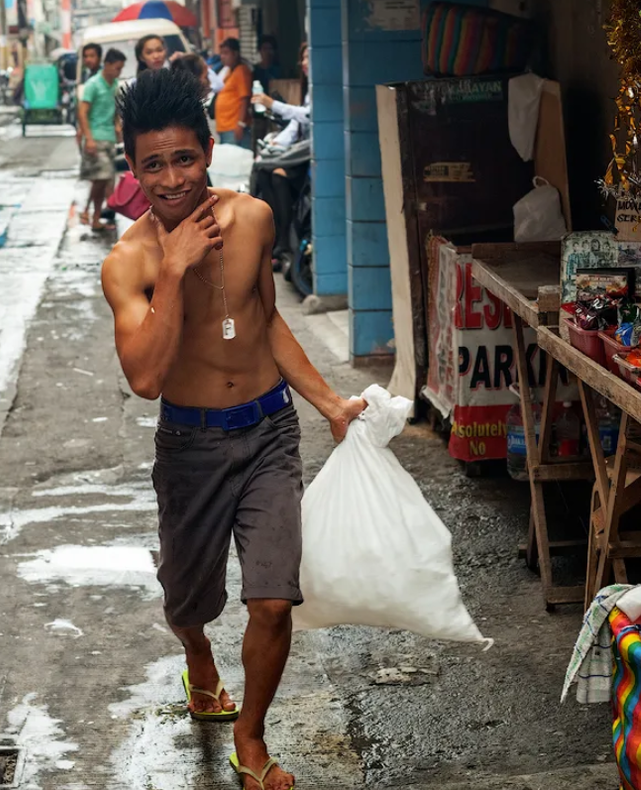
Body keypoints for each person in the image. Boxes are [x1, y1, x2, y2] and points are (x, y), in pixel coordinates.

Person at [102, 68, 364, 790]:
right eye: (153, 164)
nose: (171, 177)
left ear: (209, 150)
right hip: (188, 445)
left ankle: (251, 740)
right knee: (188, 600)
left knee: (273, 599)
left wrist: (329, 404)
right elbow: (146, 379)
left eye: (184, 158)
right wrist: (177, 270)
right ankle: (198, 657)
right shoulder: (127, 263)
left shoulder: (252, 219)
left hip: (269, 433)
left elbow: (266, 322)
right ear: (133, 168)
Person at [252, 43, 312, 263]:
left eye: (308, 57)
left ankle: (284, 242)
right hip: (298, 152)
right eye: (303, 58)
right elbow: (296, 126)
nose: (304, 62)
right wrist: (275, 143)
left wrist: (272, 104)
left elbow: (307, 116)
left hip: (308, 157)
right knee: (264, 172)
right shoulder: (309, 88)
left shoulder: (322, 88)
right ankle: (275, 238)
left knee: (278, 176)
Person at [79, 48, 126, 231]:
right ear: (106, 65)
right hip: (96, 138)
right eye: (116, 68)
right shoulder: (93, 85)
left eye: (121, 68)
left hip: (109, 139)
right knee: (103, 177)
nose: (118, 72)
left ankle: (94, 217)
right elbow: (82, 113)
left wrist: (117, 125)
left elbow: (115, 111)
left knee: (104, 180)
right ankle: (87, 211)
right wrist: (88, 138)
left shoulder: (114, 85)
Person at [215, 38, 253, 148]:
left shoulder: (241, 71)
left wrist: (240, 124)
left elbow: (245, 98)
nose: (222, 56)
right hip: (225, 127)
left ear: (235, 54)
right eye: (221, 53)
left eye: (226, 53)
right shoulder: (228, 71)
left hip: (234, 127)